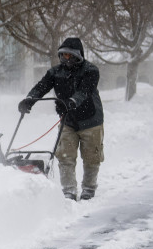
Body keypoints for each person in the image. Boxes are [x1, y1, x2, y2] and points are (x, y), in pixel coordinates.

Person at [18, 37, 103, 200]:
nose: (66, 59)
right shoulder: (55, 72)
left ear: (78, 56)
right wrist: (30, 99)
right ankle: (69, 190)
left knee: (91, 157)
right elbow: (41, 87)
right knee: (65, 156)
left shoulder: (91, 70)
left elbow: (84, 92)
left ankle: (89, 188)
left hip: (90, 121)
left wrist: (71, 102)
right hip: (68, 121)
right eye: (63, 55)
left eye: (70, 56)